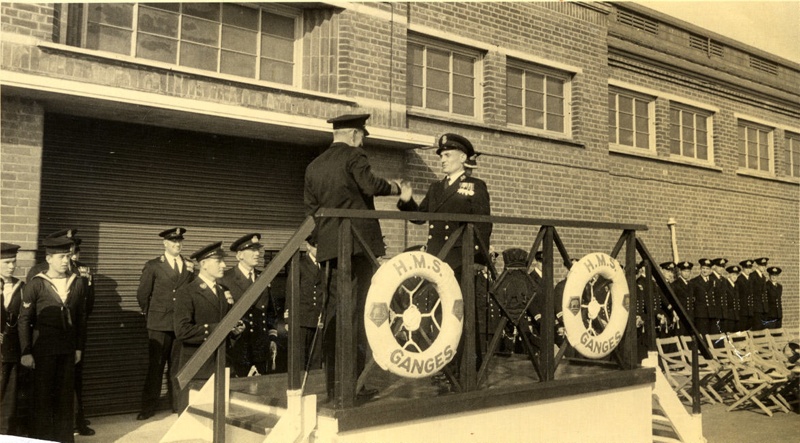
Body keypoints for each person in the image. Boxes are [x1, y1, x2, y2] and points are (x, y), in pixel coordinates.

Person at [303, 113, 400, 402]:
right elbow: (370, 185)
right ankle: (353, 384)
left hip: (330, 251)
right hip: (358, 249)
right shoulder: (354, 156)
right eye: (363, 137)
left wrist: (317, 242)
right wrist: (395, 187)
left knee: (334, 313)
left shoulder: (313, 165)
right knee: (357, 314)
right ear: (356, 135)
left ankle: (335, 384)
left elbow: (310, 209)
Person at [18, 236, 88, 443]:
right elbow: (24, 320)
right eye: (60, 257)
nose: (66, 261)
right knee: (42, 398)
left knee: (65, 398)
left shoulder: (77, 283)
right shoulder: (36, 284)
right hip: (43, 351)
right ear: (49, 258)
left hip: (67, 351)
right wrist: (26, 351)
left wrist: (78, 348)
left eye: (68, 256)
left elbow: (81, 319)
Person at [136, 227, 194, 420]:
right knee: (156, 366)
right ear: (165, 243)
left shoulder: (189, 265)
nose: (177, 245)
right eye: (173, 241)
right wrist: (151, 316)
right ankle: (148, 407)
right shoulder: (154, 265)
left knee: (178, 367)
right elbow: (143, 294)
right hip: (159, 324)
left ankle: (178, 405)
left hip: (180, 324)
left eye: (179, 241)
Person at [174, 243, 244, 399]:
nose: (224, 265)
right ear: (204, 264)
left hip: (221, 365)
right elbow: (182, 331)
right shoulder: (186, 292)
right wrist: (219, 328)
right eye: (219, 261)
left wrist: (234, 331)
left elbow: (224, 326)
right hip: (198, 368)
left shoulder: (222, 291)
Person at [219, 233, 278, 377]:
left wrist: (272, 338)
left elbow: (271, 312)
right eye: (252, 250)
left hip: (261, 350)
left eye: (258, 250)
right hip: (238, 351)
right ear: (239, 255)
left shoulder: (264, 277)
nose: (257, 253)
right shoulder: (225, 279)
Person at [284, 238, 326, 370]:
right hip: (301, 318)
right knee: (300, 358)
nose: (319, 250)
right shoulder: (299, 264)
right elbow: (291, 291)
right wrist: (288, 318)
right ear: (308, 246)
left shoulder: (325, 265)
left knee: (316, 359)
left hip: (318, 319)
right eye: (316, 247)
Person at [1, 243, 24, 435]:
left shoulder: (21, 287)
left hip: (12, 351)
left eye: (13, 262)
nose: (12, 266)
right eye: (7, 262)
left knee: (10, 398)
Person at [689, 258, 715, 335]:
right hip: (700, 314)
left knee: (712, 336)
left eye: (707, 268)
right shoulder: (694, 281)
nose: (705, 270)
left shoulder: (713, 281)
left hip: (712, 313)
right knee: (702, 335)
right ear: (700, 268)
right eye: (703, 268)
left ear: (710, 270)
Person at [672, 261, 694, 327]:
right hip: (681, 315)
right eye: (684, 271)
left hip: (690, 315)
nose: (686, 274)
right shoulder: (675, 284)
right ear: (680, 271)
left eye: (688, 271)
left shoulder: (691, 284)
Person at [750, 257, 769, 330]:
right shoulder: (753, 276)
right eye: (762, 265)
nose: (763, 267)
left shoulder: (763, 277)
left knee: (762, 328)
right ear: (757, 265)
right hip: (756, 308)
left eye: (765, 265)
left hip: (763, 308)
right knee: (757, 328)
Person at [736, 259, 755, 332]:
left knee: (749, 331)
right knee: (742, 330)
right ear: (743, 268)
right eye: (746, 268)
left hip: (750, 310)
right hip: (743, 311)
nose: (748, 270)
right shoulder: (740, 279)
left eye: (750, 268)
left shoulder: (750, 279)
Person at [724, 265, 742, 333]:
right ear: (729, 274)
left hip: (736, 315)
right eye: (733, 274)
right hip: (729, 316)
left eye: (736, 275)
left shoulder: (736, 286)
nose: (735, 277)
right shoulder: (725, 284)